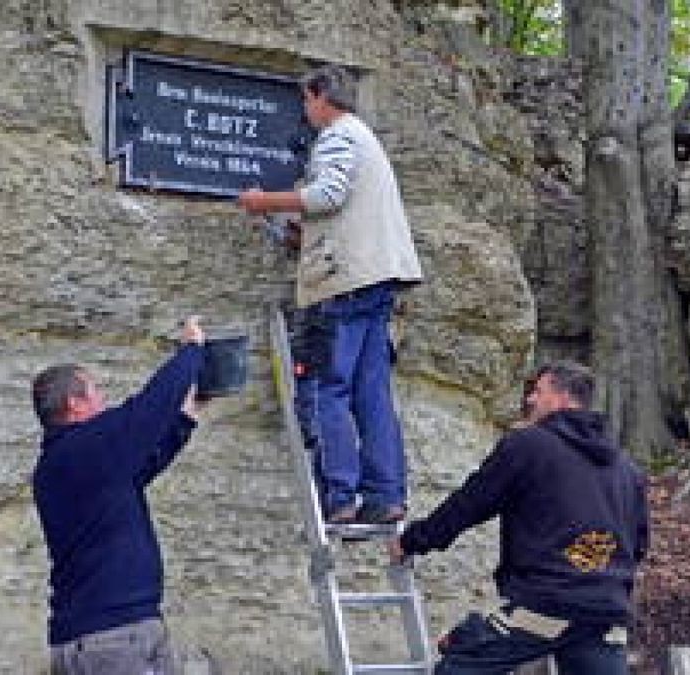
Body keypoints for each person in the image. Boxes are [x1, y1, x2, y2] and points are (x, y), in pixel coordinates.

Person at [238, 64, 423, 524]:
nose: (305, 111)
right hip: (376, 279)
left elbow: (328, 195)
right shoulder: (366, 139)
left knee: (325, 387)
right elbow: (340, 212)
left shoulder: (338, 135)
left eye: (307, 100)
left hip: (345, 282)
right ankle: (386, 495)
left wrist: (265, 202)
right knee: (371, 393)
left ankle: (339, 496)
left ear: (321, 95)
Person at [388, 362, 650, 674]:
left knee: (461, 666)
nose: (530, 400)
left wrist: (413, 540)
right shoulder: (626, 468)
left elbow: (470, 504)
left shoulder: (528, 445)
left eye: (538, 392)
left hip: (547, 604)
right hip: (606, 611)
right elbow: (638, 543)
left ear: (563, 398)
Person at [30, 316, 206, 675]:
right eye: (96, 392)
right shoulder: (84, 448)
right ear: (74, 404)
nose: (104, 400)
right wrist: (190, 352)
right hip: (111, 640)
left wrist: (188, 416)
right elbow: (146, 411)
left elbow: (144, 466)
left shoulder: (68, 462)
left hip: (108, 634)